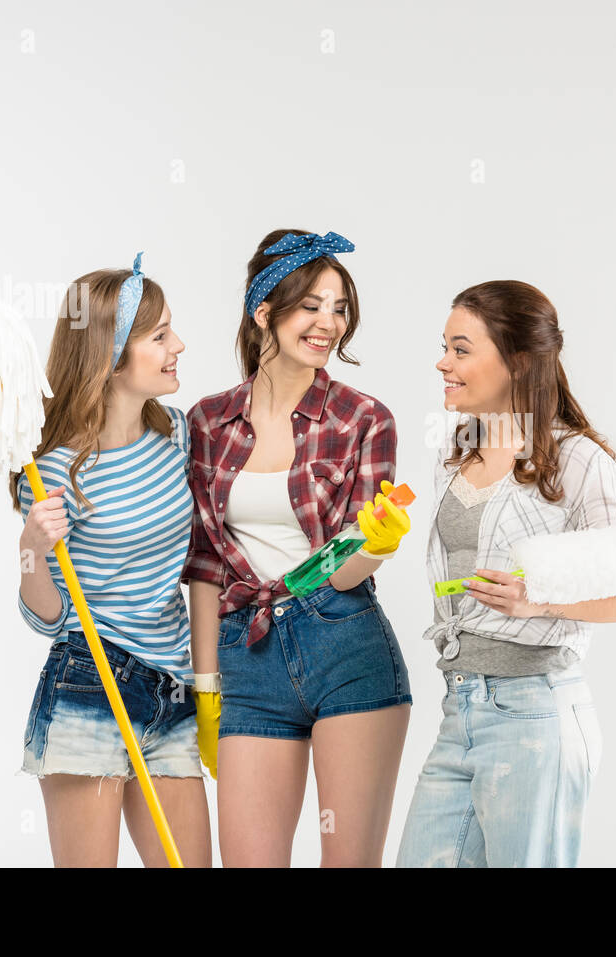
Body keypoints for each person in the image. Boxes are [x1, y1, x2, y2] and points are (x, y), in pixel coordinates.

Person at [395, 279, 616, 867]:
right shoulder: (456, 451)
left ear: (516, 360)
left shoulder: (580, 461)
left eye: (461, 349)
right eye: (444, 346)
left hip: (535, 715)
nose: (443, 362)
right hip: (459, 707)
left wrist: (541, 600)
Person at [183, 229, 413, 867]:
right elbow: (203, 565)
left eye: (339, 308)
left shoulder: (364, 418)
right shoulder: (206, 422)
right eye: (311, 305)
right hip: (245, 655)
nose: (329, 324)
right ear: (265, 311)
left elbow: (344, 572)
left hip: (345, 644)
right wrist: (206, 686)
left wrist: (376, 545)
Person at [12, 254, 212, 867]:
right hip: (90, 682)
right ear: (110, 355)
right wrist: (32, 548)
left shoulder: (176, 433)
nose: (178, 345)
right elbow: (46, 617)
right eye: (159, 336)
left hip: (171, 686)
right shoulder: (52, 473)